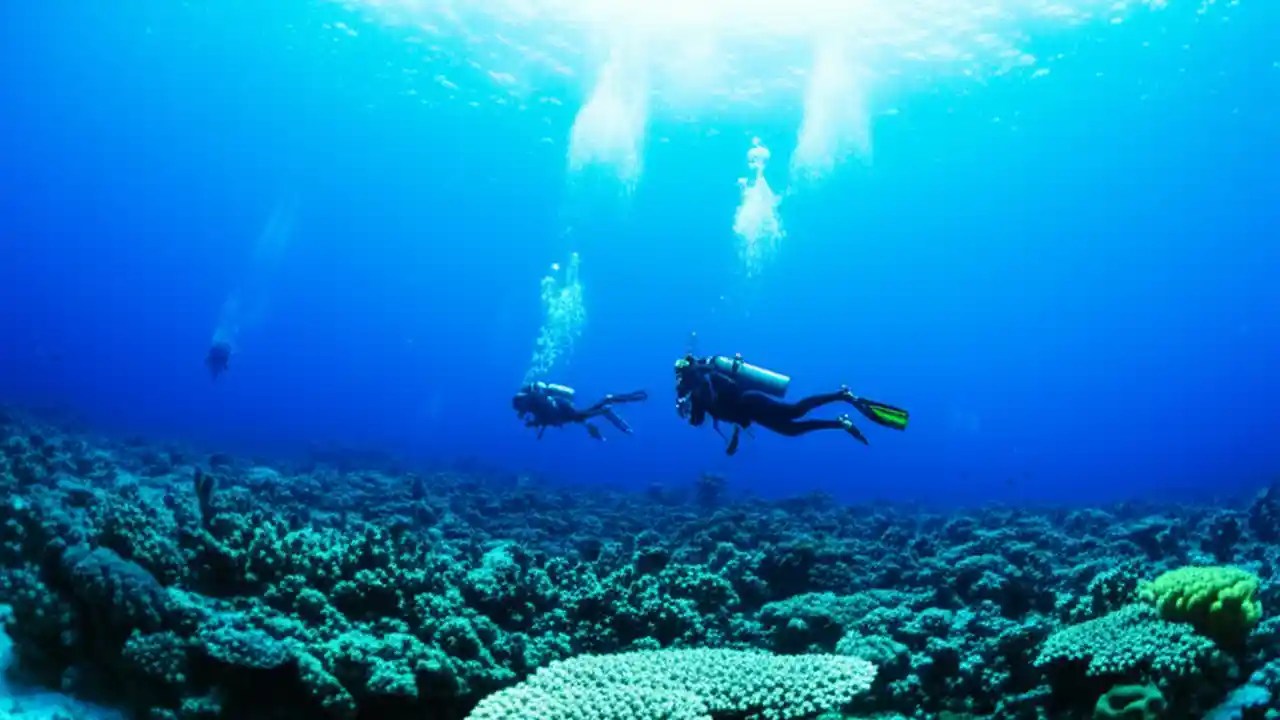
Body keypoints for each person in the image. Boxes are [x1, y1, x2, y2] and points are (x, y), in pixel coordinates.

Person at [674, 354, 908, 455]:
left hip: (750, 401)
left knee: (794, 411)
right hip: (747, 415)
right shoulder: (694, 397)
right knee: (791, 430)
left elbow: (733, 390)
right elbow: (697, 422)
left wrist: (714, 398)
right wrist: (685, 412)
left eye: (683, 377)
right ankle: (841, 424)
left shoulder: (710, 377)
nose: (681, 382)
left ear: (690, 372)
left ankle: (841, 396)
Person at [513, 381, 648, 441]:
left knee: (583, 416)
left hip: (562, 411)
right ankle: (604, 409)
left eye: (519, 410)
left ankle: (607, 402)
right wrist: (534, 423)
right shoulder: (533, 403)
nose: (520, 413)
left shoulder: (533, 400)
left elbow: (546, 415)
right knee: (582, 418)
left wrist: (534, 422)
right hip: (561, 412)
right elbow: (544, 417)